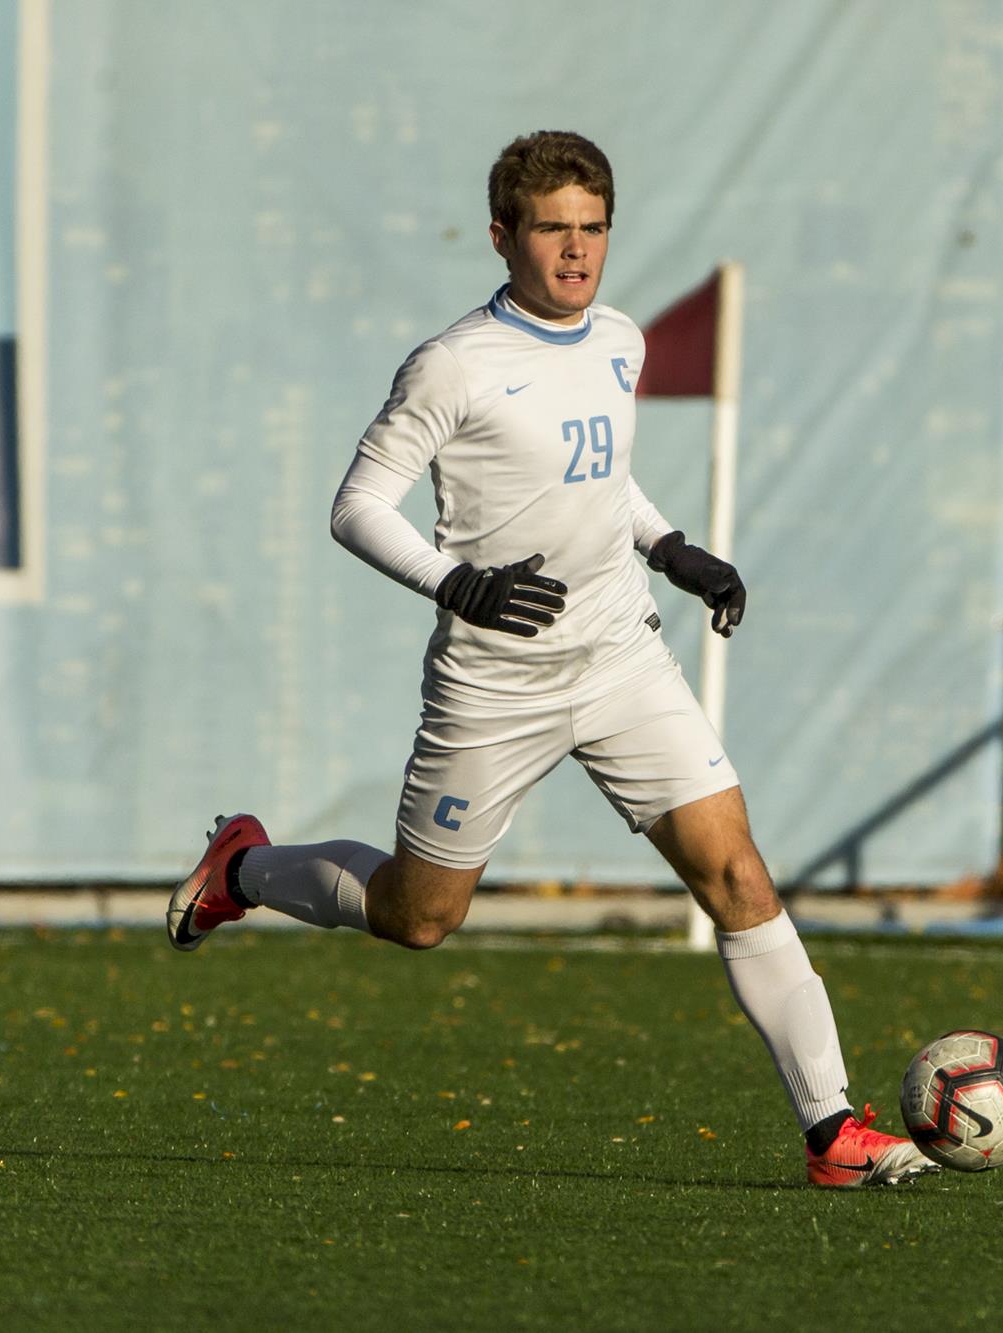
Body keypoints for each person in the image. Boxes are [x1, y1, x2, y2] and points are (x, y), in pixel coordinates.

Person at [169, 130, 933, 1189]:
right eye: (550, 229)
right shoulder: (453, 363)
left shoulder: (617, 337)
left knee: (735, 870)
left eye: (592, 228)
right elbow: (354, 508)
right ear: (501, 236)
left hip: (619, 656)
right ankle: (243, 870)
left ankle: (831, 1130)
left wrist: (668, 548)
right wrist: (455, 582)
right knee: (418, 918)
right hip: (495, 679)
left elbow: (600, 476)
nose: (575, 252)